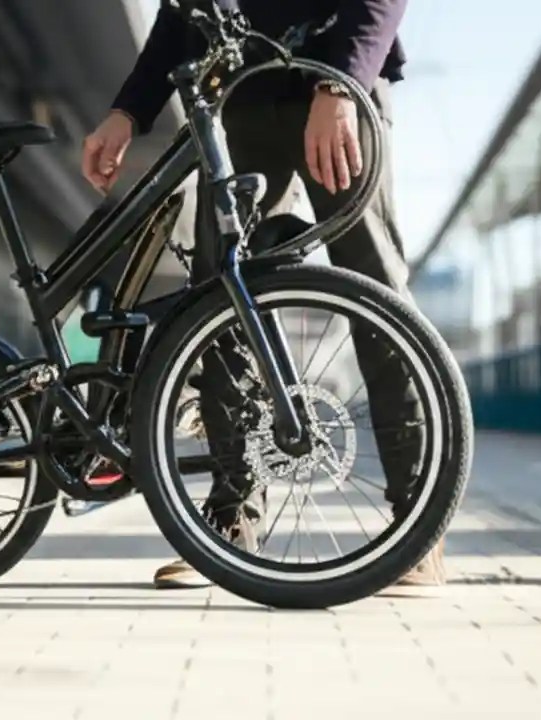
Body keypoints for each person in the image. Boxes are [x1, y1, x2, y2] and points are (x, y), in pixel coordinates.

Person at [80, 0, 445, 589]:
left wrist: (341, 82)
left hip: (338, 89)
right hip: (248, 92)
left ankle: (417, 527)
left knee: (377, 297)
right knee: (217, 306)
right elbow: (184, 11)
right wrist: (127, 110)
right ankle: (230, 523)